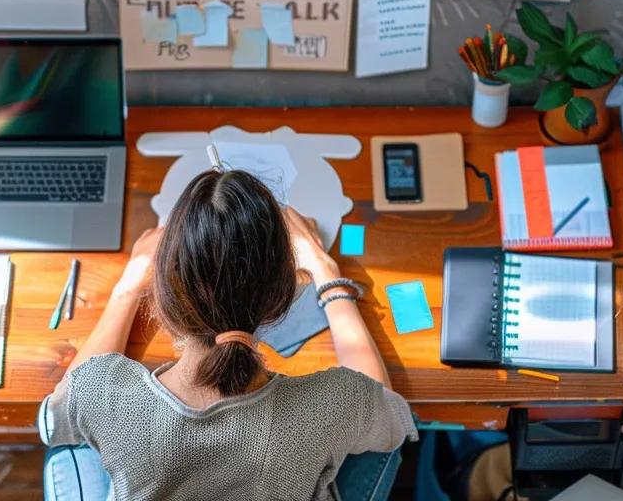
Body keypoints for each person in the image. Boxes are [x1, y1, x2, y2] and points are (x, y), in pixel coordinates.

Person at [39, 169, 416, 500]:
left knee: (65, 447)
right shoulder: (323, 409)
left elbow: (53, 421)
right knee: (386, 446)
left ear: (163, 290)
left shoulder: (101, 392)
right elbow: (389, 414)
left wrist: (126, 287)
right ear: (283, 291)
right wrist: (325, 270)